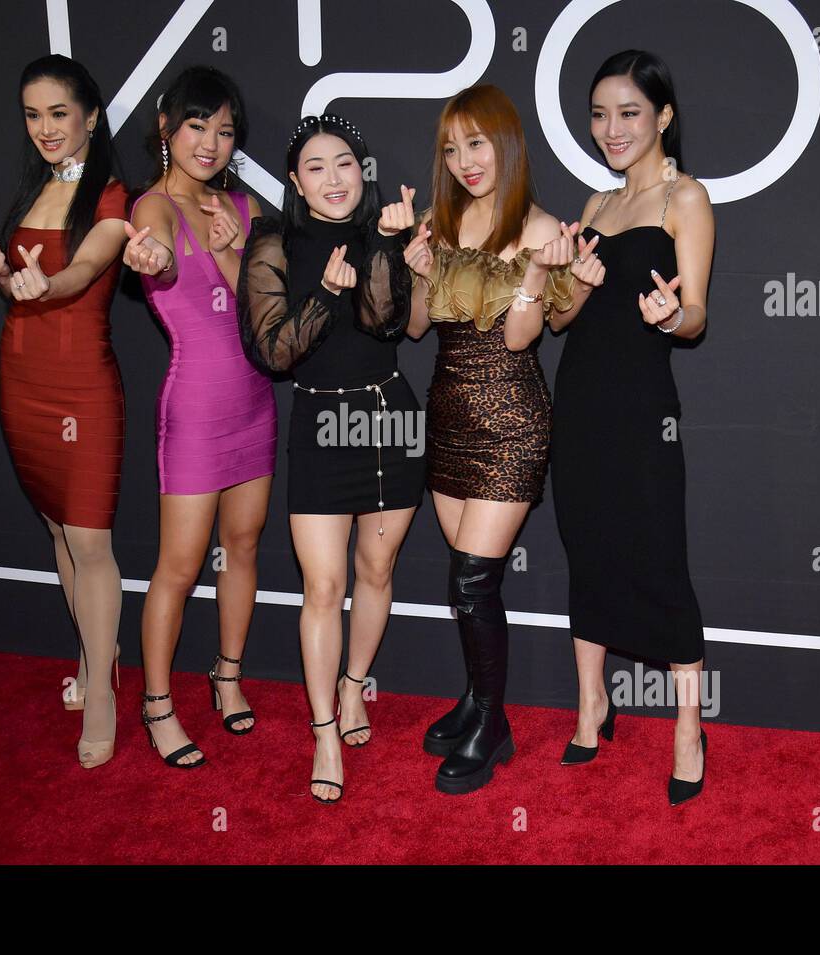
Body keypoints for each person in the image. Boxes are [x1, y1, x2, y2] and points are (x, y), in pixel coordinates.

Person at [403, 85, 603, 795]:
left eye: (476, 144)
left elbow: (524, 336)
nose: (464, 161)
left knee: (473, 578)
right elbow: (419, 326)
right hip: (448, 413)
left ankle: (493, 723)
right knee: (465, 580)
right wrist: (420, 270)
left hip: (511, 421)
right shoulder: (439, 217)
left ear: (506, 142)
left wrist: (545, 268)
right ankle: (477, 700)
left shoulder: (540, 225)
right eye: (451, 149)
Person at [237, 114, 422, 804]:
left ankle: (353, 689)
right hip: (320, 421)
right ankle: (321, 733)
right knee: (322, 586)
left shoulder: (384, 230)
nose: (334, 178)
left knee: (376, 568)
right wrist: (325, 294)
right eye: (315, 167)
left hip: (390, 415)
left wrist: (381, 242)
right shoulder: (272, 244)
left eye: (344, 162)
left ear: (362, 170)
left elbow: (386, 324)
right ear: (294, 180)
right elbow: (275, 354)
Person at [549, 50, 715, 806]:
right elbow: (557, 318)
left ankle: (688, 726)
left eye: (628, 113)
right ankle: (593, 704)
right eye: (599, 114)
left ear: (663, 117)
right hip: (579, 402)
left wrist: (672, 313)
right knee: (587, 550)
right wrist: (575, 289)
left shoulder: (687, 198)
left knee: (658, 557)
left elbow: (698, 315)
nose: (611, 129)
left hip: (644, 410)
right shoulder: (592, 206)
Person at [0, 54, 128, 769]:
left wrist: (43, 280)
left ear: (90, 115)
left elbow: (84, 270)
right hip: (21, 379)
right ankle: (96, 659)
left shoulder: (113, 195)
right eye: (32, 115)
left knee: (90, 542)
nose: (45, 129)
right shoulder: (33, 188)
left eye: (58, 113)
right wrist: (5, 275)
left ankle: (103, 695)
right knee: (60, 531)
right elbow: (25, 292)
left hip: (81, 387)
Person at [124, 65, 276, 769]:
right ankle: (157, 703)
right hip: (192, 410)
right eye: (196, 125)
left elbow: (265, 313)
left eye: (224, 130)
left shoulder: (241, 208)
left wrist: (230, 248)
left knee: (242, 548)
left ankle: (228, 675)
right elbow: (150, 259)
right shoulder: (150, 207)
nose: (211, 142)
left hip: (254, 404)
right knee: (179, 567)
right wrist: (151, 259)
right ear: (166, 127)